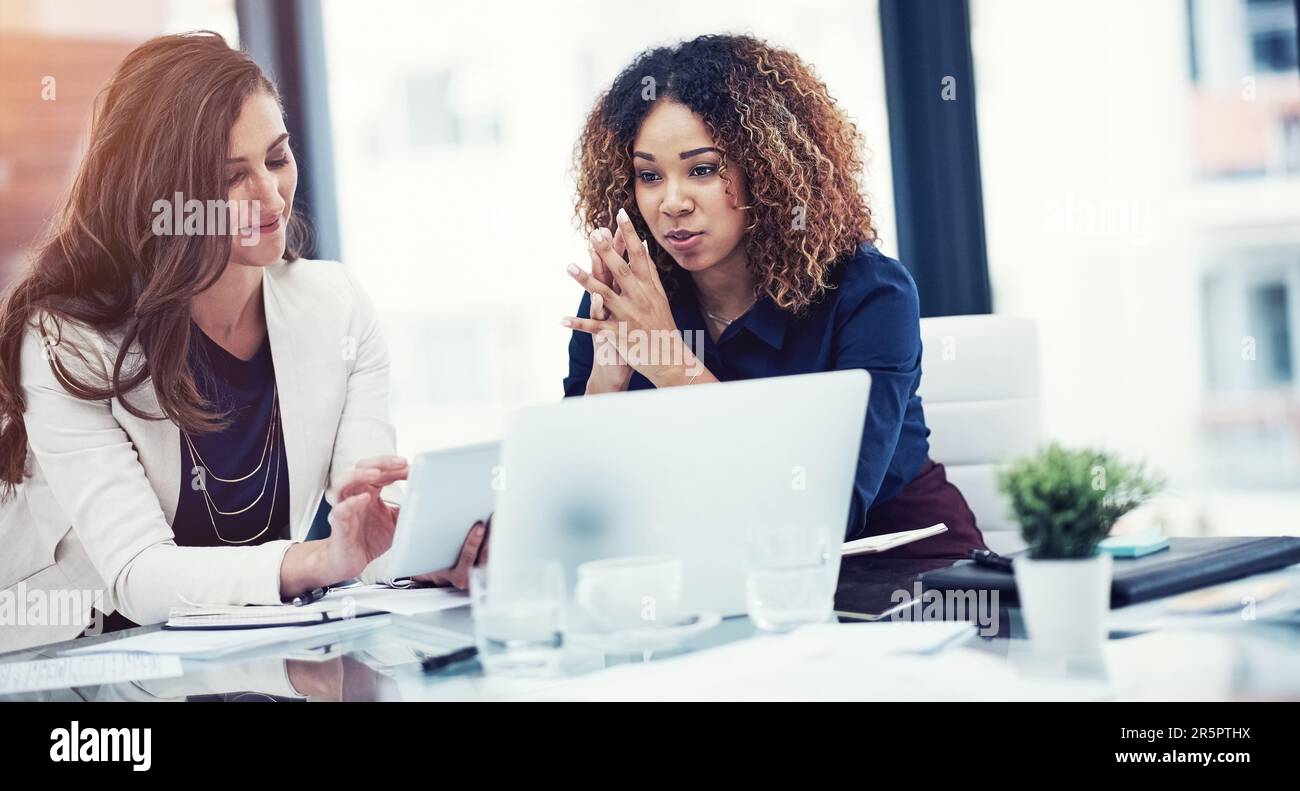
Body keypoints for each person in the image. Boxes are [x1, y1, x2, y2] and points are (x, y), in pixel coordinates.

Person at [0, 32, 480, 652]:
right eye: (232, 177)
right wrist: (320, 560)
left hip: (246, 656)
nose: (271, 195)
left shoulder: (336, 309)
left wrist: (424, 550)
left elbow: (360, 535)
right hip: (76, 665)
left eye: (276, 159)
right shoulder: (69, 342)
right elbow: (138, 577)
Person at [562, 34, 988, 558]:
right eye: (650, 175)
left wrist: (672, 364)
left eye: (702, 169)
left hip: (895, 576)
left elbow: (820, 514)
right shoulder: (627, 300)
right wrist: (606, 386)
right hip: (713, 580)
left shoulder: (871, 295)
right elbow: (577, 518)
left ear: (768, 170)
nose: (672, 202)